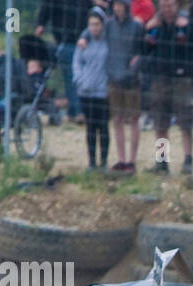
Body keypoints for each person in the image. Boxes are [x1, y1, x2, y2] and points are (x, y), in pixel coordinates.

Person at [86, 0, 143, 173]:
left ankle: (132, 161)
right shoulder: (109, 25)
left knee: (133, 119)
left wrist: (135, 66)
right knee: (117, 120)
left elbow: (144, 50)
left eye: (120, 4)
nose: (117, 8)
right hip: (114, 79)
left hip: (131, 80)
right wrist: (83, 38)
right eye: (115, 5)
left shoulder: (137, 26)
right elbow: (92, 30)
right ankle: (121, 159)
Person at [143, 0, 193, 175]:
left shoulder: (187, 24)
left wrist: (188, 29)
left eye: (171, 5)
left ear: (177, 6)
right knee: (160, 122)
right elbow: (143, 49)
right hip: (160, 78)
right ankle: (162, 162)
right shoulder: (154, 26)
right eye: (164, 5)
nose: (167, 9)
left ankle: (188, 160)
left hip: (181, 79)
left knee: (185, 122)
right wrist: (146, 30)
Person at [36, 0, 90, 122]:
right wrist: (41, 24)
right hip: (66, 41)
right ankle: (77, 111)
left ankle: (75, 111)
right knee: (71, 77)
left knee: (79, 77)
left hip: (84, 42)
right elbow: (47, 7)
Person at [75, 6, 111, 170]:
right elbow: (77, 62)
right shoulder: (84, 42)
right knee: (90, 127)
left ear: (102, 24)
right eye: (91, 24)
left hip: (103, 92)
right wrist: (80, 80)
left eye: (97, 24)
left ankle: (103, 161)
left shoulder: (109, 41)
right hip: (86, 90)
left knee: (103, 126)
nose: (94, 27)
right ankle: (91, 162)